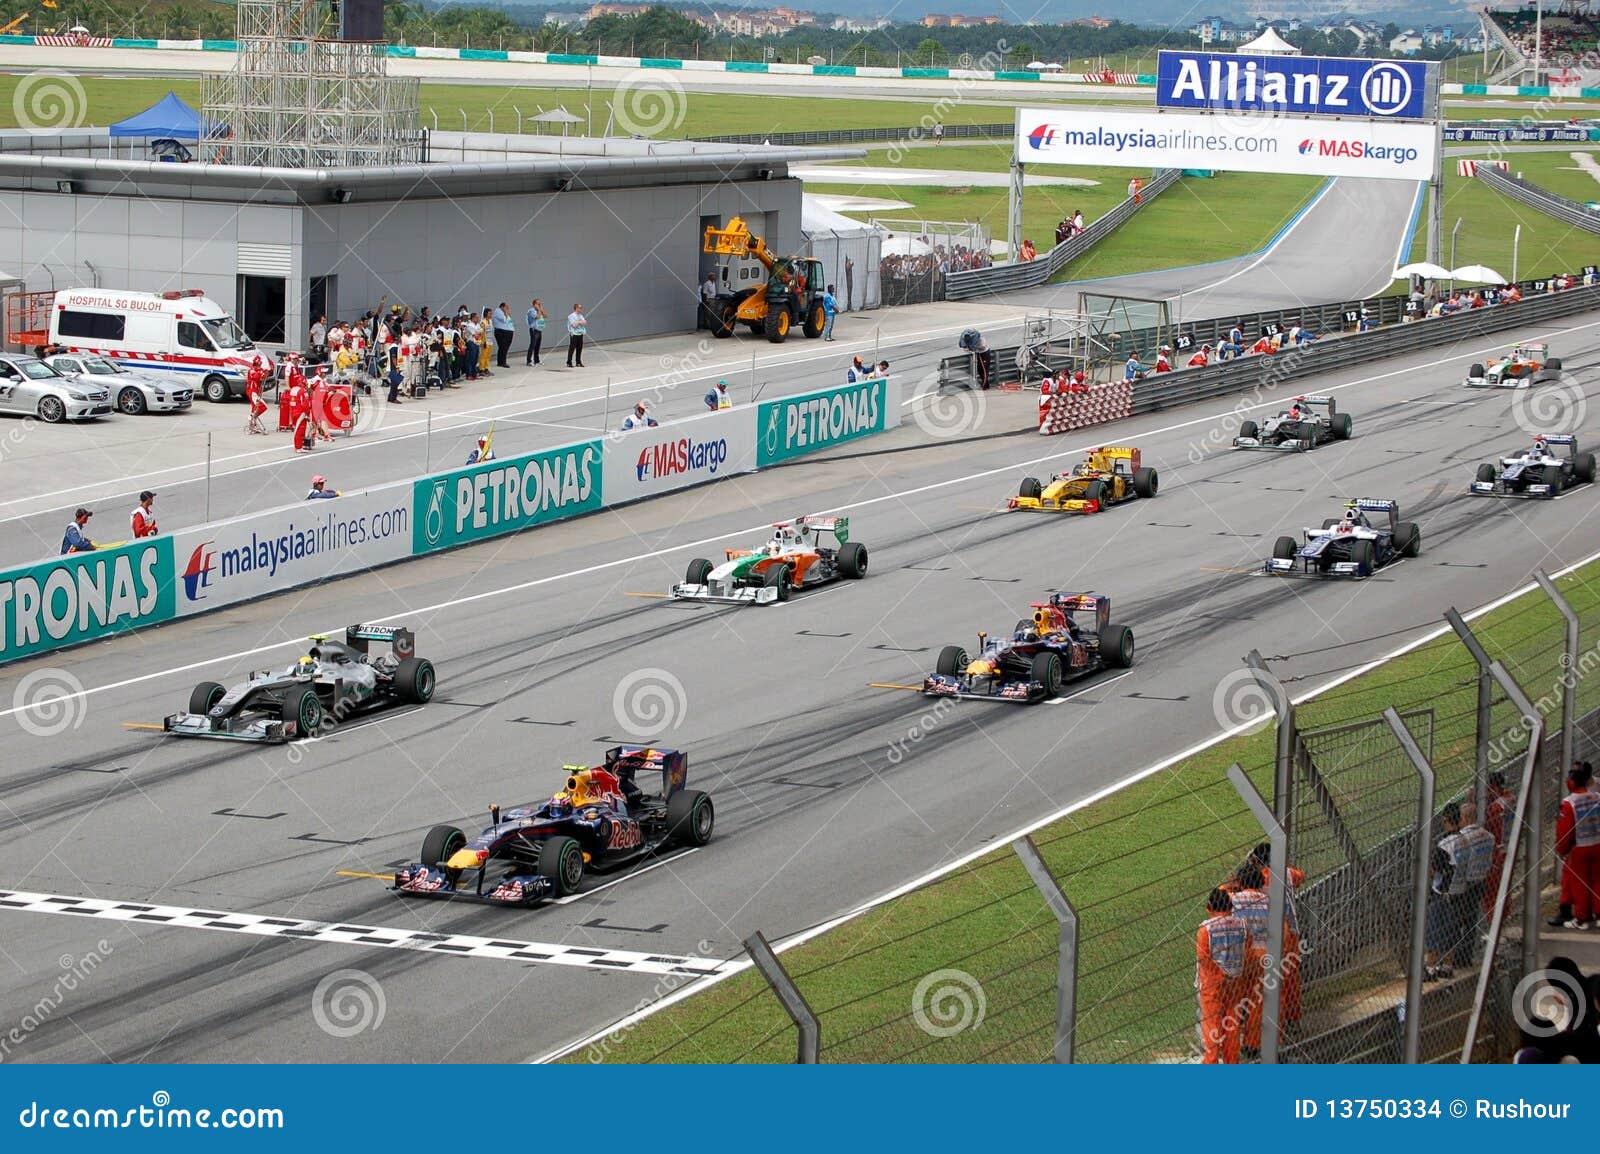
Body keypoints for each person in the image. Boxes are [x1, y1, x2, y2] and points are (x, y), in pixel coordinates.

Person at [1425, 800, 1496, 979]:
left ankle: (1430, 968)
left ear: (1446, 820)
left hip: (1444, 891)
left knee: (1435, 930)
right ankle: (1448, 966)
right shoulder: (1466, 839)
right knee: (1453, 929)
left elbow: (1435, 869)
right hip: (1462, 888)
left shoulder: (1448, 842)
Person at [1196, 887, 1248, 1064]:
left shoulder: (1206, 929)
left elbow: (1204, 957)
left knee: (1212, 1027)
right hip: (1235, 980)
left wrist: (1219, 975)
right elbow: (1245, 950)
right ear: (1230, 906)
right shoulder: (1241, 925)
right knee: (1232, 1025)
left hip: (1212, 985)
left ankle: (1211, 1063)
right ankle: (1231, 1062)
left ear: (1209, 907)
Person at [1555, 762, 1600, 929]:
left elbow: (1564, 831)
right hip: (1598, 844)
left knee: (1579, 883)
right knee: (1597, 879)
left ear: (1572, 782)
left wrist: (1562, 849)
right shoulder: (1596, 796)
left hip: (1579, 848)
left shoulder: (1569, 803)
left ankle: (1582, 918)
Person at [246, 356, 269, 435]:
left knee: (254, 407)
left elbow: (264, 375)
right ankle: (252, 417)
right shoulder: (251, 371)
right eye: (256, 364)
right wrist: (262, 373)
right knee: (262, 406)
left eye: (259, 365)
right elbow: (256, 377)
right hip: (252, 392)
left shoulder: (259, 370)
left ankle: (253, 424)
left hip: (257, 391)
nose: (257, 366)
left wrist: (266, 372)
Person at [492, 302, 514, 369]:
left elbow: (509, 319)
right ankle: (502, 362)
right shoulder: (498, 311)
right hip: (501, 331)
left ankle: (501, 361)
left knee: (504, 347)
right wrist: (506, 312)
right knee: (503, 347)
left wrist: (507, 311)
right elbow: (504, 319)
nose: (507, 308)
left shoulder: (505, 312)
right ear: (502, 307)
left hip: (508, 331)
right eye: (506, 307)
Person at [525, 299, 547, 365]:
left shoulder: (539, 310)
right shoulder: (531, 311)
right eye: (538, 304)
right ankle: (529, 361)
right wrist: (539, 310)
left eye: (540, 304)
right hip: (534, 330)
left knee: (537, 345)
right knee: (532, 345)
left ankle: (536, 360)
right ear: (534, 304)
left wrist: (541, 309)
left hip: (539, 329)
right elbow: (537, 317)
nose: (539, 305)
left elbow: (546, 316)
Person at [566, 304, 587, 368]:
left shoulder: (581, 315)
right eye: (580, 308)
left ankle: (578, 362)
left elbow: (585, 323)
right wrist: (580, 322)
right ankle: (569, 362)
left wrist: (579, 322)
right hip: (574, 334)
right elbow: (574, 325)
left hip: (580, 333)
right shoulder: (571, 316)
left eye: (581, 307)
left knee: (579, 348)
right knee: (572, 348)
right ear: (576, 308)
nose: (581, 309)